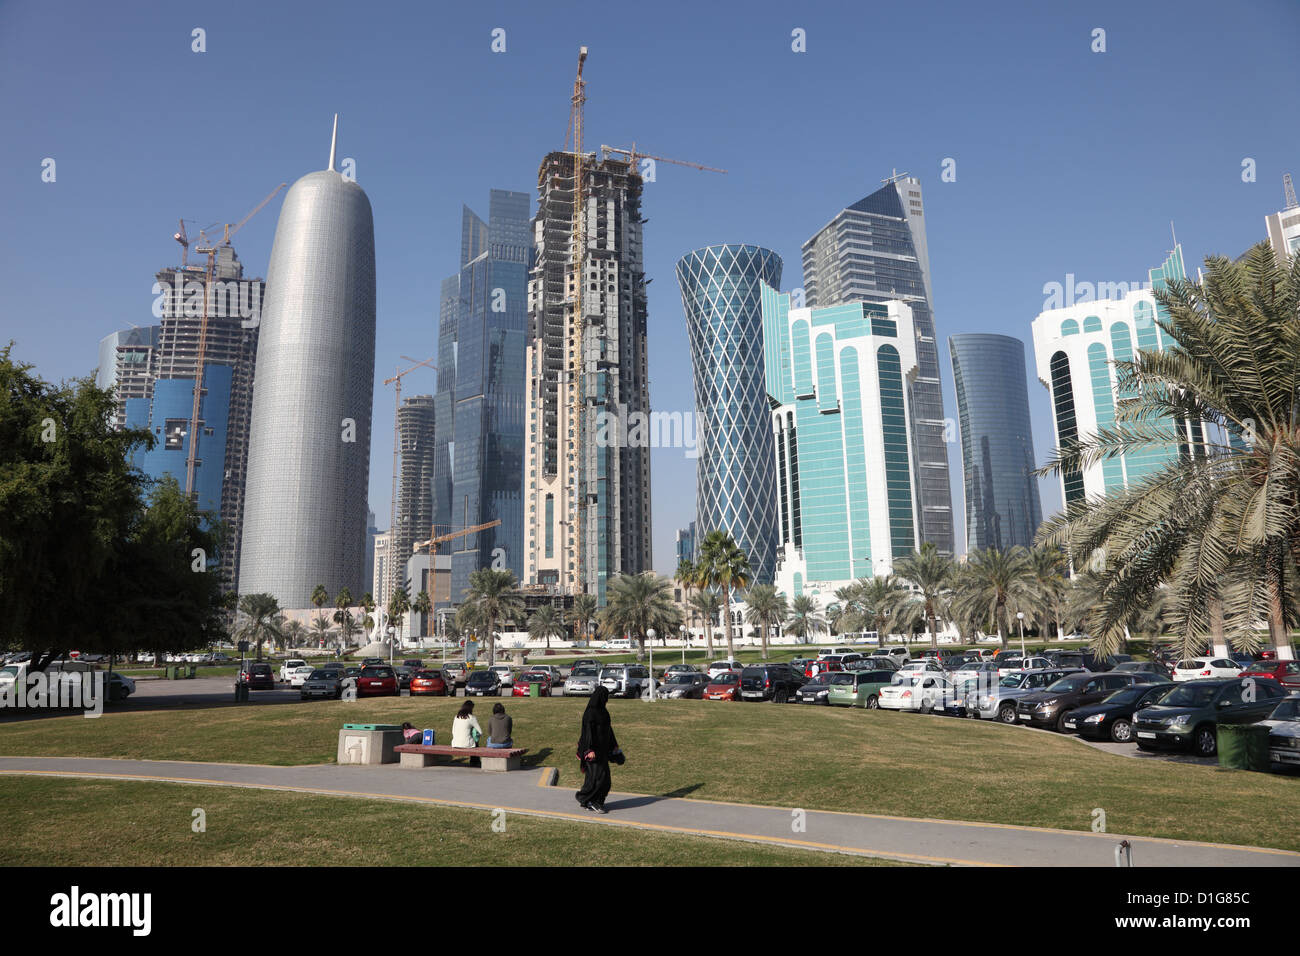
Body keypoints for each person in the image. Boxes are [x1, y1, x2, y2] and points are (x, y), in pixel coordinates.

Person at [575, 686, 621, 814]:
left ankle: (585, 800)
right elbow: (587, 733)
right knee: (601, 778)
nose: (607, 699)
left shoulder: (604, 712)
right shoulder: (590, 713)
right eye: (605, 696)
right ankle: (595, 802)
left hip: (603, 751)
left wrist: (614, 745)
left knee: (596, 778)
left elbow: (608, 730)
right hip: (592, 752)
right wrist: (589, 750)